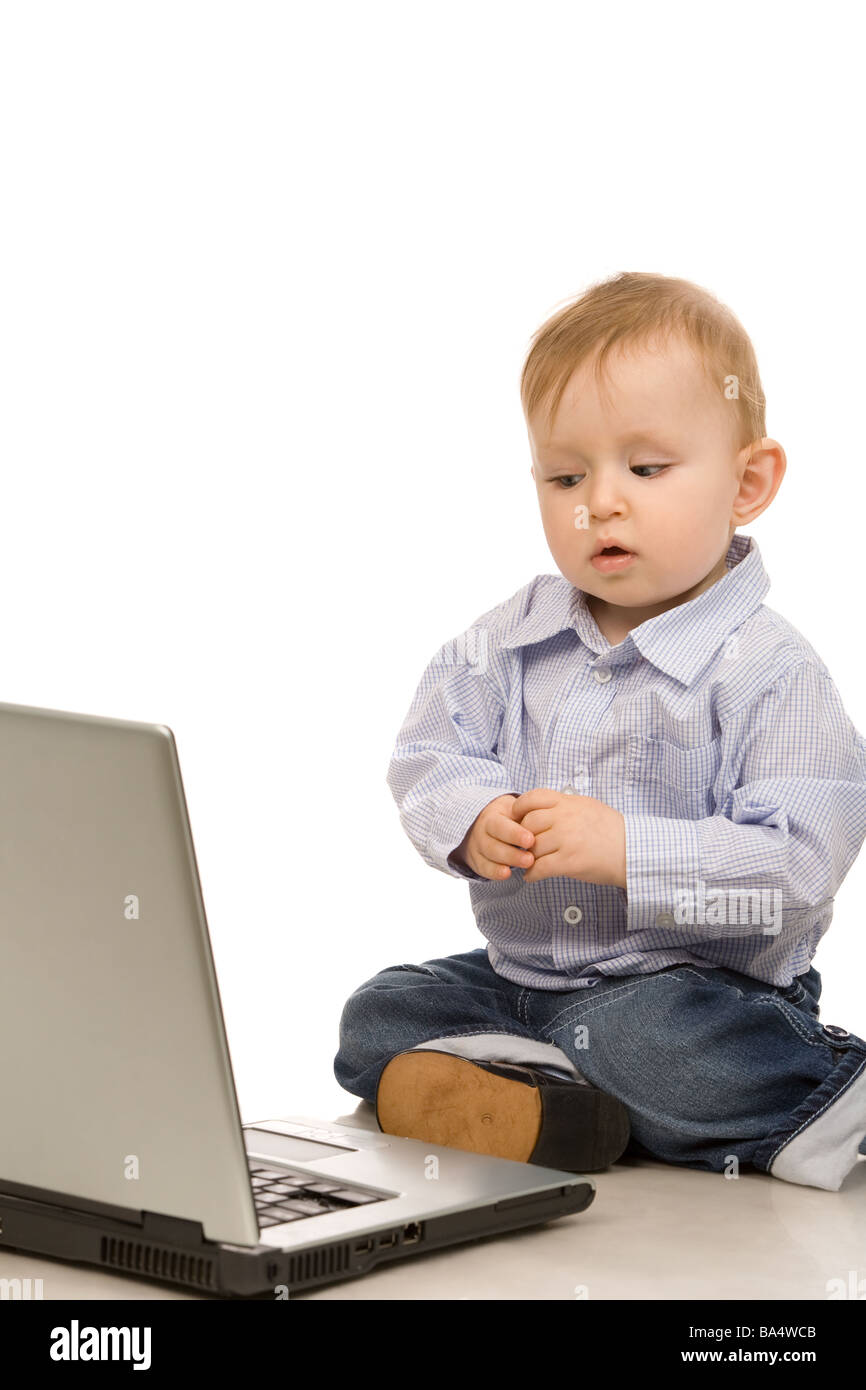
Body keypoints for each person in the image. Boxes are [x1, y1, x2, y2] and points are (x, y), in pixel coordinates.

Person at [334, 270, 866, 1189]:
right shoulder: (507, 642)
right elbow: (429, 755)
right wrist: (471, 817)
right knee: (379, 1015)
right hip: (528, 983)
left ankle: (828, 1094)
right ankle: (560, 1102)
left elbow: (798, 868)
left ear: (749, 482)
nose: (600, 502)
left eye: (646, 469)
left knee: (649, 1040)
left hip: (697, 993)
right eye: (565, 475)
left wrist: (628, 849)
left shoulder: (769, 669)